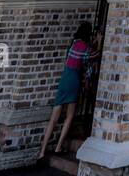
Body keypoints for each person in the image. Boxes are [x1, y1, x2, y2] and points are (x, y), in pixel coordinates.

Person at [38, 21, 96, 160]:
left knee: (54, 118)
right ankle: (58, 146)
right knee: (69, 116)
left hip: (64, 78)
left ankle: (42, 151)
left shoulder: (73, 44)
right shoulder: (86, 48)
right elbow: (93, 58)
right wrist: (97, 42)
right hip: (74, 80)